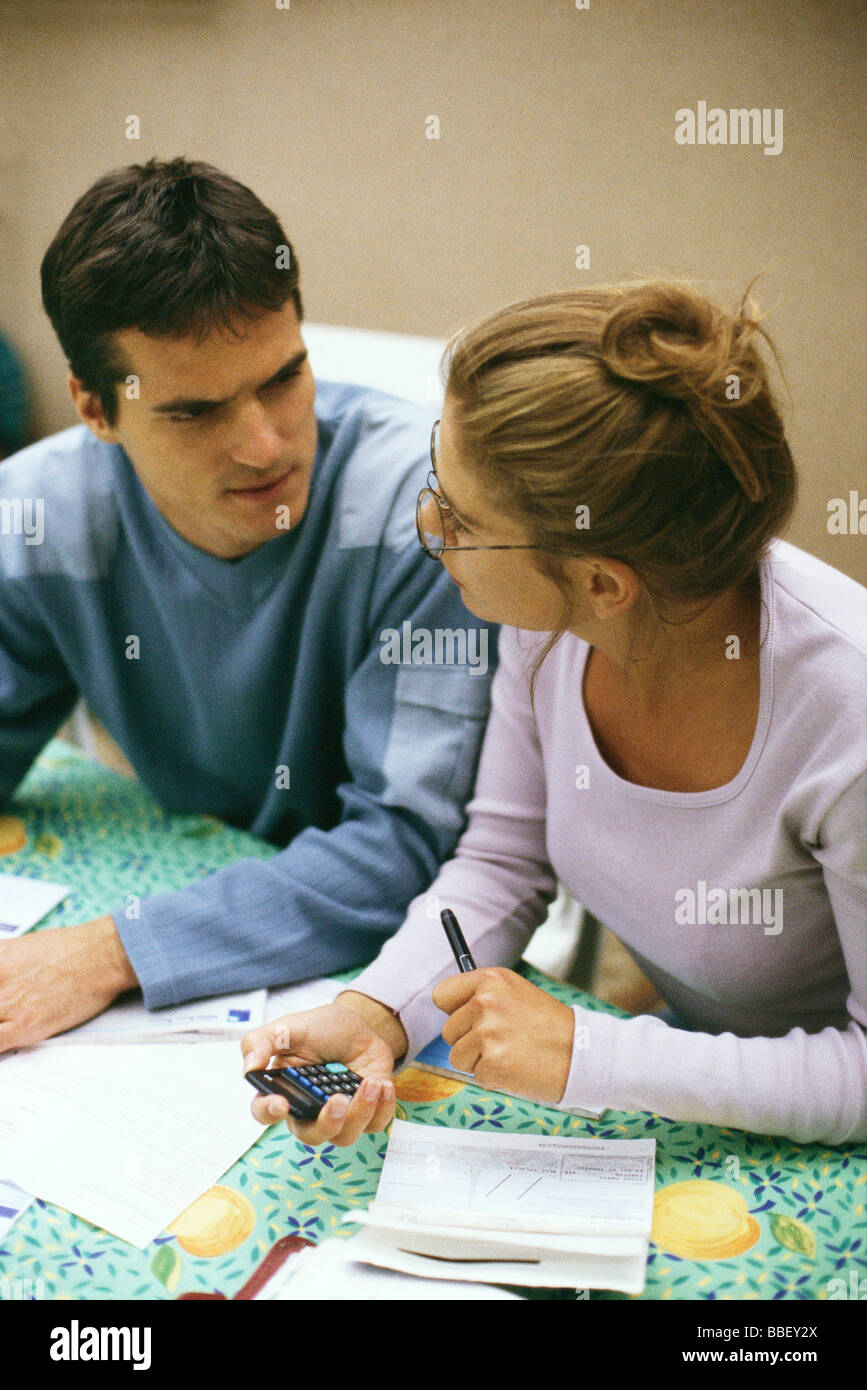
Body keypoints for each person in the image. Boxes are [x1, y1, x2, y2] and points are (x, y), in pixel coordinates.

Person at [243, 279, 867, 1147]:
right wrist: (378, 1012)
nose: (426, 521)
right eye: (435, 478)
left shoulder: (847, 717)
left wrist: (593, 1052)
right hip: (704, 1088)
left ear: (603, 583)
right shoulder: (550, 627)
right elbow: (501, 862)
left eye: (459, 518)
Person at [0, 158, 496, 1053]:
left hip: (371, 979)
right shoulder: (37, 517)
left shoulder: (424, 520)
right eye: (195, 413)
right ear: (94, 408)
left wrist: (111, 952)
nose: (264, 445)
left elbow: (401, 849)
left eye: (283, 377)